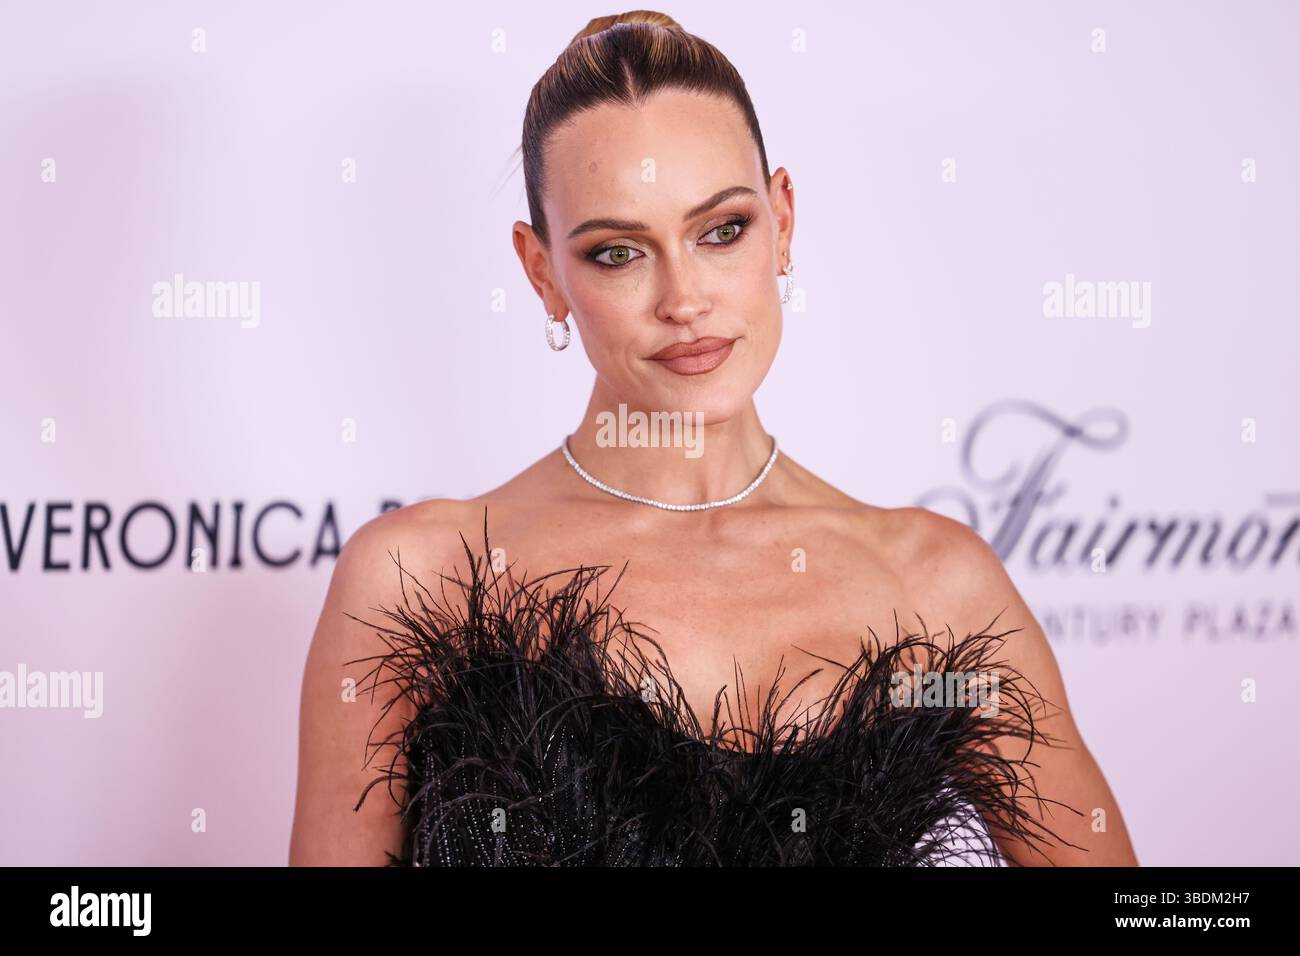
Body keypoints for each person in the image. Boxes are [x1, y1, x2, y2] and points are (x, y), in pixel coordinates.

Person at [289, 10, 1138, 867]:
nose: (685, 300)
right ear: (542, 272)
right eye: (619, 252)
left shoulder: (937, 585)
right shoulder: (416, 579)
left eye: (722, 231)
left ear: (783, 220)